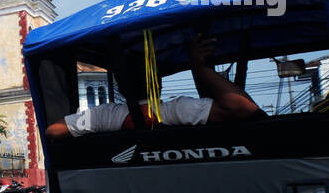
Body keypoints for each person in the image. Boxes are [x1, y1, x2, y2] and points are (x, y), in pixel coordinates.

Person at [45, 35, 262, 139]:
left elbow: (54, 131)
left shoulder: (103, 117)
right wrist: (200, 68)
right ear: (158, 82)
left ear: (120, 86)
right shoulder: (178, 110)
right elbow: (245, 110)